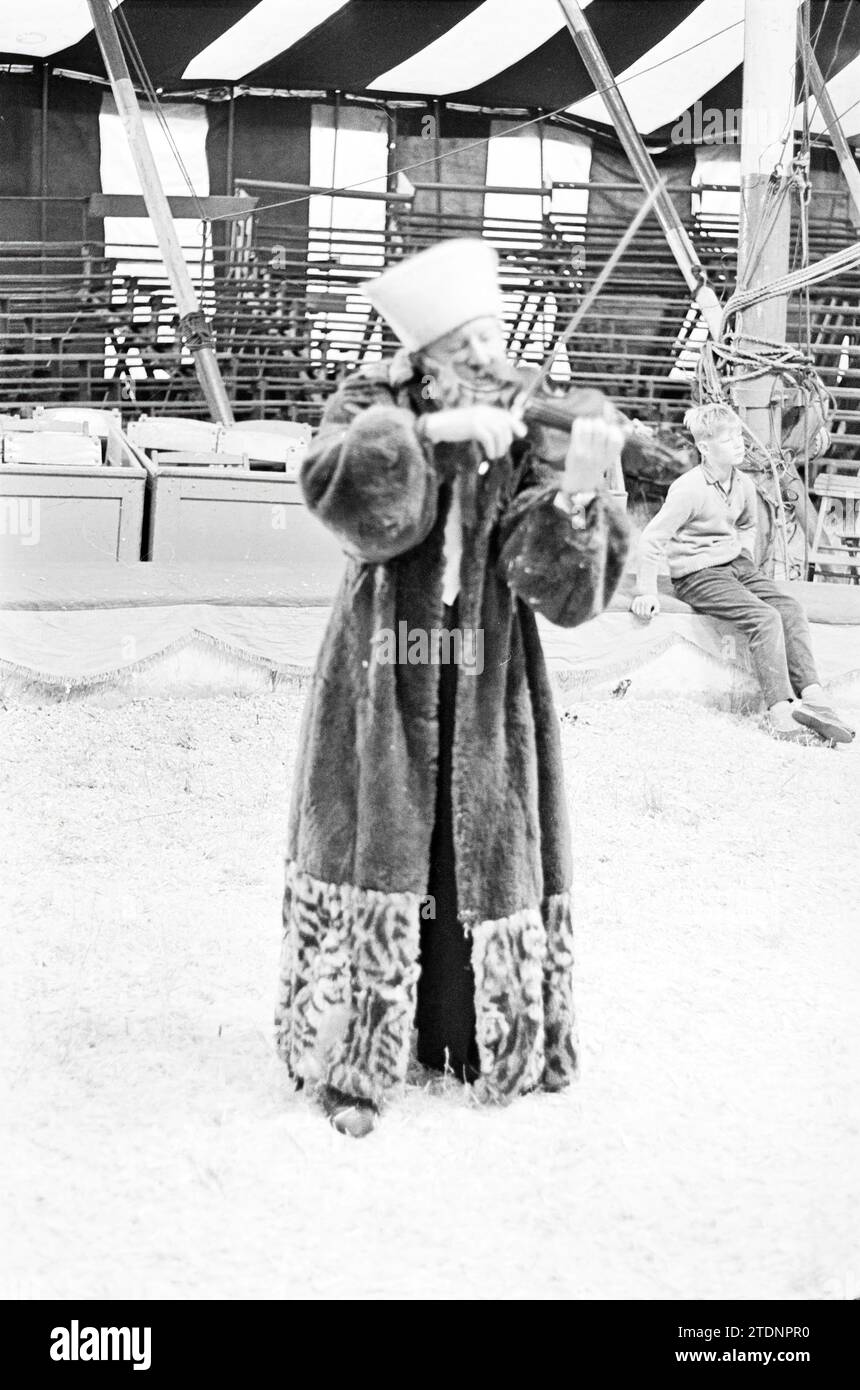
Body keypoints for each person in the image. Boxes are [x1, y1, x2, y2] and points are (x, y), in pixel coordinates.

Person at [275, 238, 630, 1137]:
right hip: (378, 672)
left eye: (494, 341)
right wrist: (432, 440)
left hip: (491, 675)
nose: (491, 363)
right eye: (468, 350)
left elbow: (555, 588)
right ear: (424, 360)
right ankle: (351, 1062)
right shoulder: (368, 403)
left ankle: (482, 1041)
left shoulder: (529, 421)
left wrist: (578, 493)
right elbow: (359, 517)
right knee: (376, 842)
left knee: (481, 843)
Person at [630, 402, 854, 745]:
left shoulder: (742, 483)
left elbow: (749, 524)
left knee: (790, 609)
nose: (739, 444)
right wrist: (645, 591)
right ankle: (780, 711)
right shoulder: (689, 488)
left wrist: (744, 554)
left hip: (737, 566)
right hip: (699, 575)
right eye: (728, 439)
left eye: (739, 436)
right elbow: (651, 538)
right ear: (705, 448)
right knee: (765, 618)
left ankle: (814, 698)